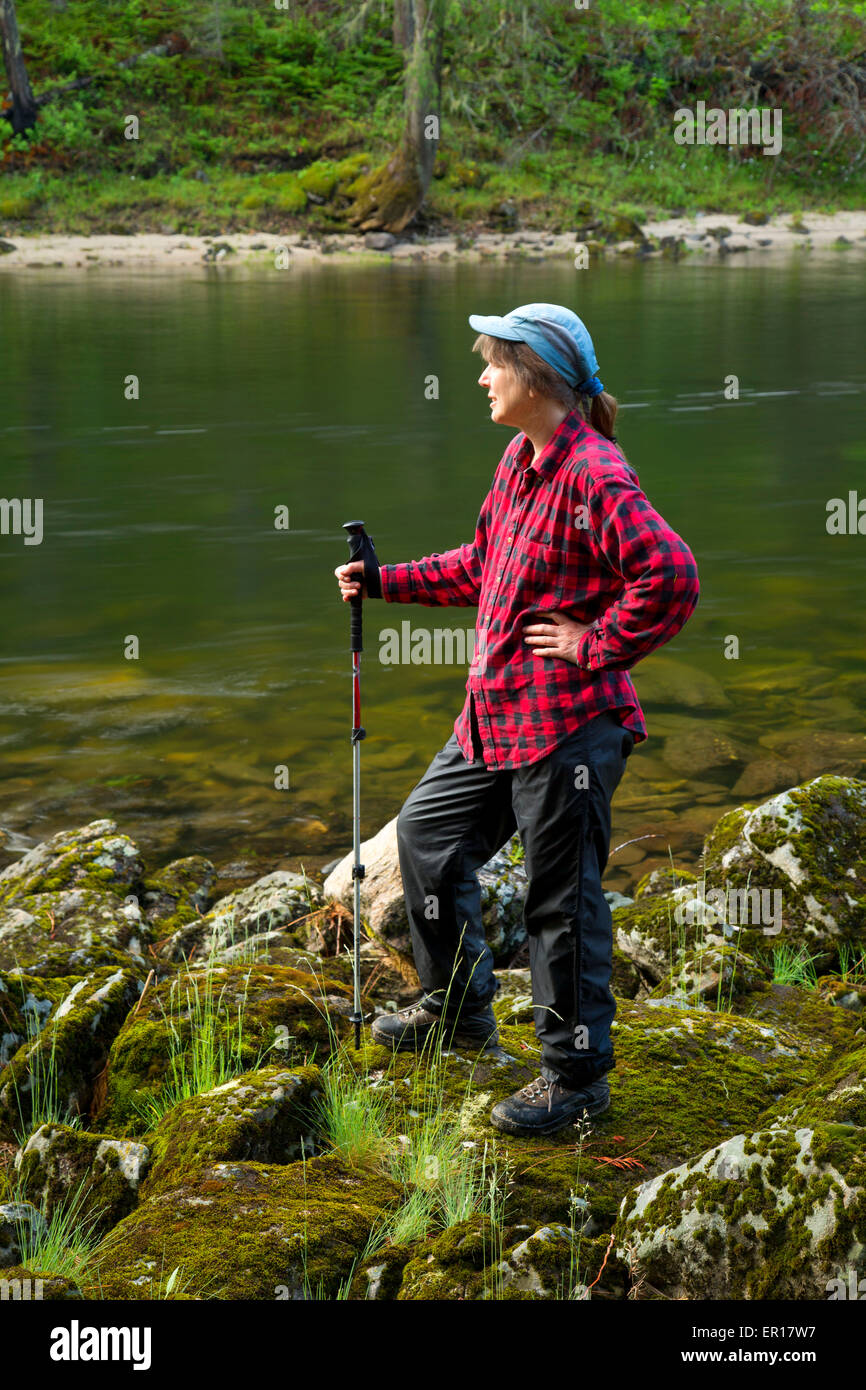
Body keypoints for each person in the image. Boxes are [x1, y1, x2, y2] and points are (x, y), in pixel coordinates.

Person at [334, 302, 700, 1136]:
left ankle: (575, 1082)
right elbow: (479, 565)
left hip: (571, 728)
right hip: (496, 718)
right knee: (427, 840)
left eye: (493, 362)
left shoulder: (596, 475)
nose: (481, 376)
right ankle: (456, 1013)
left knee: (560, 902)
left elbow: (672, 578)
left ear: (536, 376)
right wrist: (386, 580)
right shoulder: (520, 460)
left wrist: (595, 643)